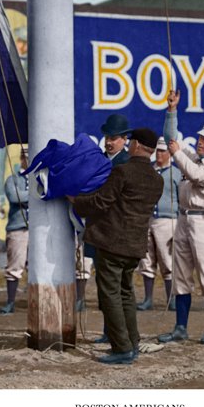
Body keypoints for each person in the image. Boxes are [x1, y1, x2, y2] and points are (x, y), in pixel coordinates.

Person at [70, 128, 164, 364]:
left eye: (131, 141)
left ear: (138, 146)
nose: (129, 144)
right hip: (135, 246)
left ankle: (122, 348)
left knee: (110, 296)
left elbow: (101, 202)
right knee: (126, 294)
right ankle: (132, 342)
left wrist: (74, 200)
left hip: (112, 244)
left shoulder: (123, 171)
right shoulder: (157, 179)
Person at [158, 90, 204, 345]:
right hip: (184, 219)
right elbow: (170, 138)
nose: (201, 141)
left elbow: (196, 175)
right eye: (200, 137)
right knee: (181, 275)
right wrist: (172, 110)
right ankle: (180, 327)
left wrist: (176, 153)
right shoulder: (194, 156)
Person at [76, 113, 133, 313]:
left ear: (124, 140)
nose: (109, 142)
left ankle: (118, 332)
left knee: (118, 284)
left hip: (117, 229)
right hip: (97, 228)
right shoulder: (97, 159)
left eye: (114, 138)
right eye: (107, 137)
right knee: (102, 281)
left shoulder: (127, 163)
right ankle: (108, 330)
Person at [137, 136, 180, 311]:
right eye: (158, 151)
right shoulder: (148, 171)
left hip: (168, 221)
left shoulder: (176, 173)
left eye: (163, 151)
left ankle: (171, 299)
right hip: (148, 219)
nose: (159, 154)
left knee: (167, 260)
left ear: (170, 152)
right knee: (147, 260)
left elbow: (182, 197)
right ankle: (148, 299)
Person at [1, 146, 30, 315]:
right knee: (14, 265)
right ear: (20, 158)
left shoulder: (38, 177)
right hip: (17, 228)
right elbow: (14, 197)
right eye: (25, 156)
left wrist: (26, 196)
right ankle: (10, 302)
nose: (27, 158)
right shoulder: (12, 179)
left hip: (37, 228)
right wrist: (31, 196)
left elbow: (43, 193)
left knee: (36, 266)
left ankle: (36, 301)